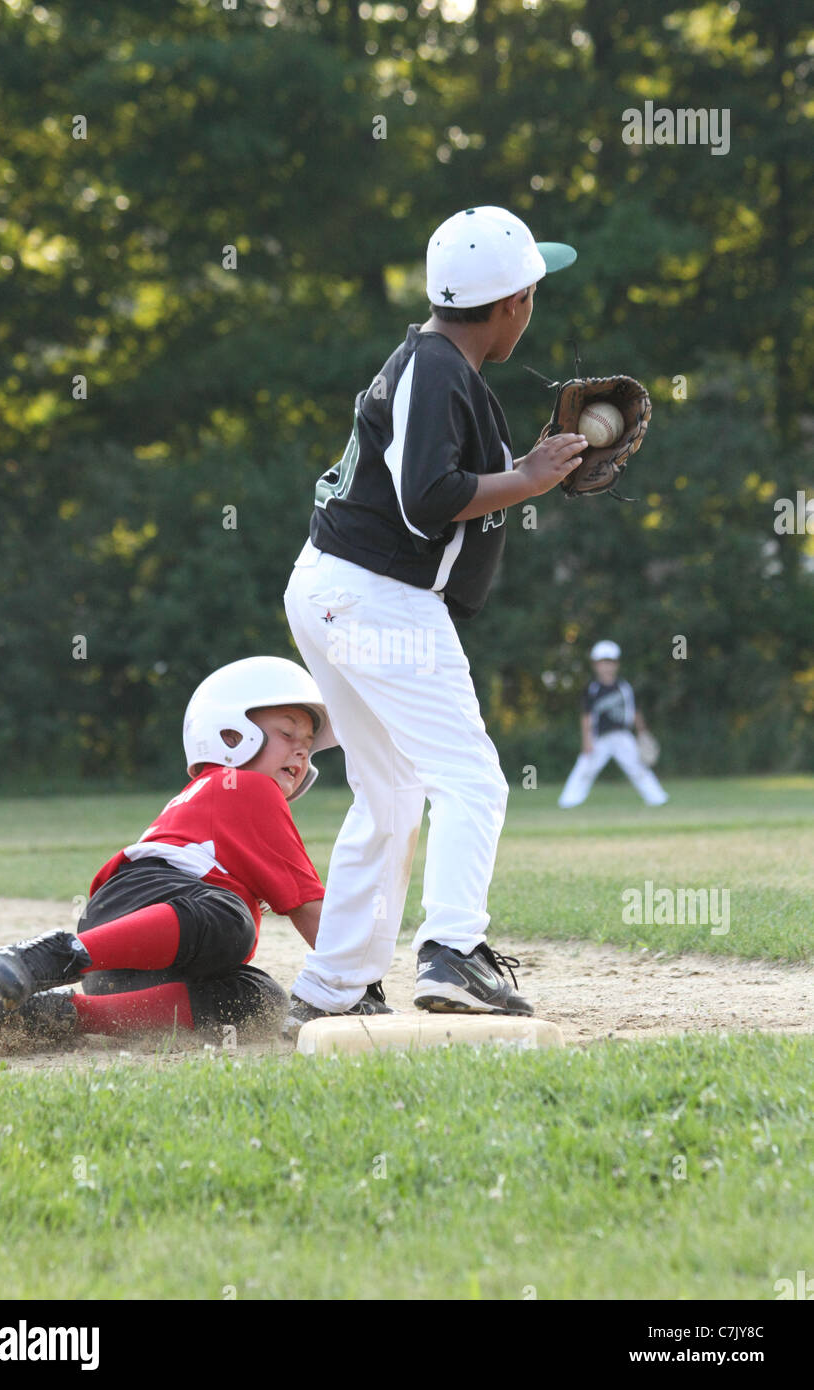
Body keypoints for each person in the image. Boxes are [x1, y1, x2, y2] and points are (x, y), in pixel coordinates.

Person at [282, 205, 585, 1038]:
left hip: (339, 586)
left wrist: (531, 467)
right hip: (375, 595)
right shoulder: (438, 370)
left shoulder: (435, 366)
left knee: (390, 792)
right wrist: (526, 478)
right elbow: (427, 501)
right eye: (534, 289)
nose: (535, 303)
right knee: (473, 779)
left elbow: (438, 472)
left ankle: (337, 980)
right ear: (514, 302)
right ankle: (453, 950)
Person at [0, 657, 390, 1044]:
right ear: (230, 732)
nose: (301, 748)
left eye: (307, 741)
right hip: (143, 908)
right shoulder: (248, 786)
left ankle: (58, 1014)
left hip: (127, 965)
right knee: (231, 921)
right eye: (286, 731)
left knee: (258, 1000)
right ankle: (53, 955)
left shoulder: (215, 791)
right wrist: (355, 978)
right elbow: (310, 908)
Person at [557, 640, 669, 808]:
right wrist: (586, 740)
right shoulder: (592, 689)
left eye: (610, 662)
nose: (607, 667)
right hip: (599, 737)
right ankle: (568, 801)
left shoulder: (624, 687)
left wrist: (642, 732)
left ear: (616, 664)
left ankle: (657, 798)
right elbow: (586, 716)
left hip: (622, 736)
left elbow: (635, 711)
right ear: (595, 665)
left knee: (638, 767)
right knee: (585, 769)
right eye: (603, 662)